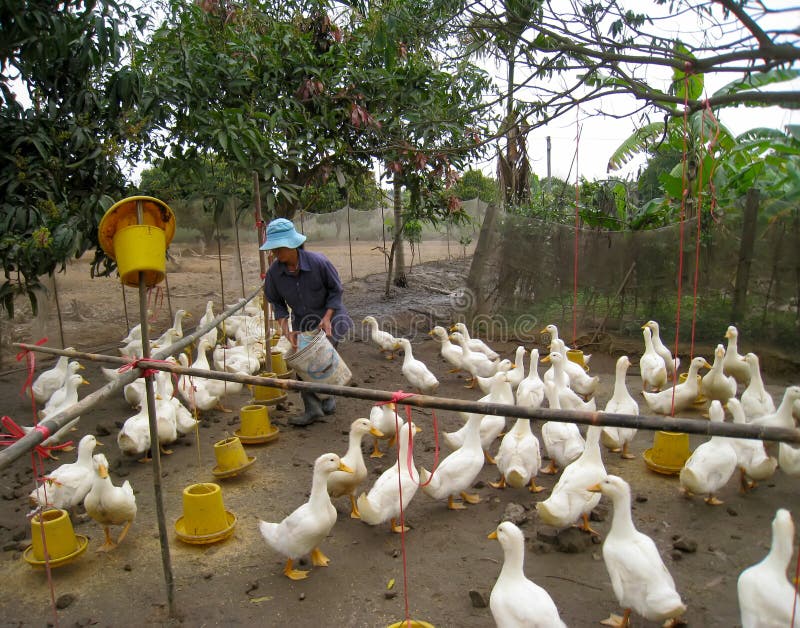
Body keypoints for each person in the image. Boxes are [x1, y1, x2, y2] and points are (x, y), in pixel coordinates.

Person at [261, 218, 353, 426]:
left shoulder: (319, 262)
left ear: (292, 245)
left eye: (278, 248)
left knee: (322, 361)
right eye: (273, 249)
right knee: (303, 365)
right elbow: (276, 301)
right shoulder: (275, 273)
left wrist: (327, 317)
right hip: (303, 322)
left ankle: (328, 396)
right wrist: (286, 330)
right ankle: (313, 408)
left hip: (332, 318)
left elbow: (336, 290)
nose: (275, 253)